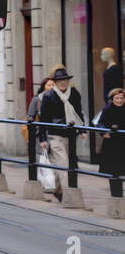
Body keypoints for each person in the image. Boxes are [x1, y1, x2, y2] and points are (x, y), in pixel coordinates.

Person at [37, 67, 85, 201]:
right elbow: (43, 119)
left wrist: (82, 130)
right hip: (55, 135)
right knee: (63, 165)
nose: (63, 82)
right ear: (55, 82)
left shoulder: (74, 94)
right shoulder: (48, 96)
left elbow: (78, 112)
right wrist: (42, 139)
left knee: (66, 165)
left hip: (71, 134)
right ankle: (69, 197)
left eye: (65, 80)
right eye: (60, 80)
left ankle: (57, 189)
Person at [96, 86, 125, 200]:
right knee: (114, 171)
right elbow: (100, 124)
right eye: (117, 98)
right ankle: (116, 196)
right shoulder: (107, 109)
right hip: (112, 144)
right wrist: (104, 133)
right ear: (112, 99)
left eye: (122, 98)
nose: (120, 100)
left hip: (123, 143)